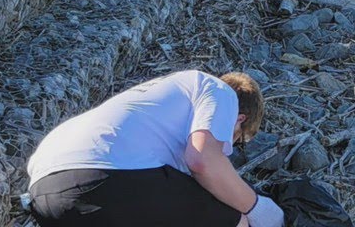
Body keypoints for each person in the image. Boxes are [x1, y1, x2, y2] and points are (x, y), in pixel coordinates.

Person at [25, 70, 282, 227]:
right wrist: (257, 208)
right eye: (237, 140)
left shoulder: (166, 102)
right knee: (232, 221)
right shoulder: (221, 92)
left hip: (43, 192)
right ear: (240, 119)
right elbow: (204, 162)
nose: (228, 148)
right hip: (103, 175)